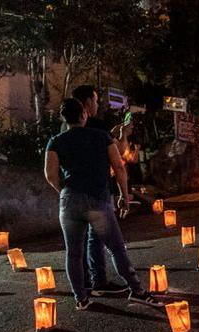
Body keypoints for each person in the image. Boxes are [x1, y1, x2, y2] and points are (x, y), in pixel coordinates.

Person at [44, 99, 162, 310]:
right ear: (84, 115)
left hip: (70, 201)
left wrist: (63, 191)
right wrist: (124, 196)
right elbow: (118, 166)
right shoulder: (101, 137)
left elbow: (50, 174)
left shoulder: (56, 141)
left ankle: (81, 298)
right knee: (116, 248)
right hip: (98, 199)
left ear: (64, 118)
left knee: (74, 253)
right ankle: (137, 290)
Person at [69, 85, 129, 298]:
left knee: (78, 243)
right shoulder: (96, 126)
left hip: (73, 195)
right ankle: (100, 281)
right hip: (98, 191)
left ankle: (83, 286)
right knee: (99, 238)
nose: (97, 104)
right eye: (95, 100)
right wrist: (123, 135)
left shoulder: (65, 132)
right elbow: (119, 156)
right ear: (86, 104)